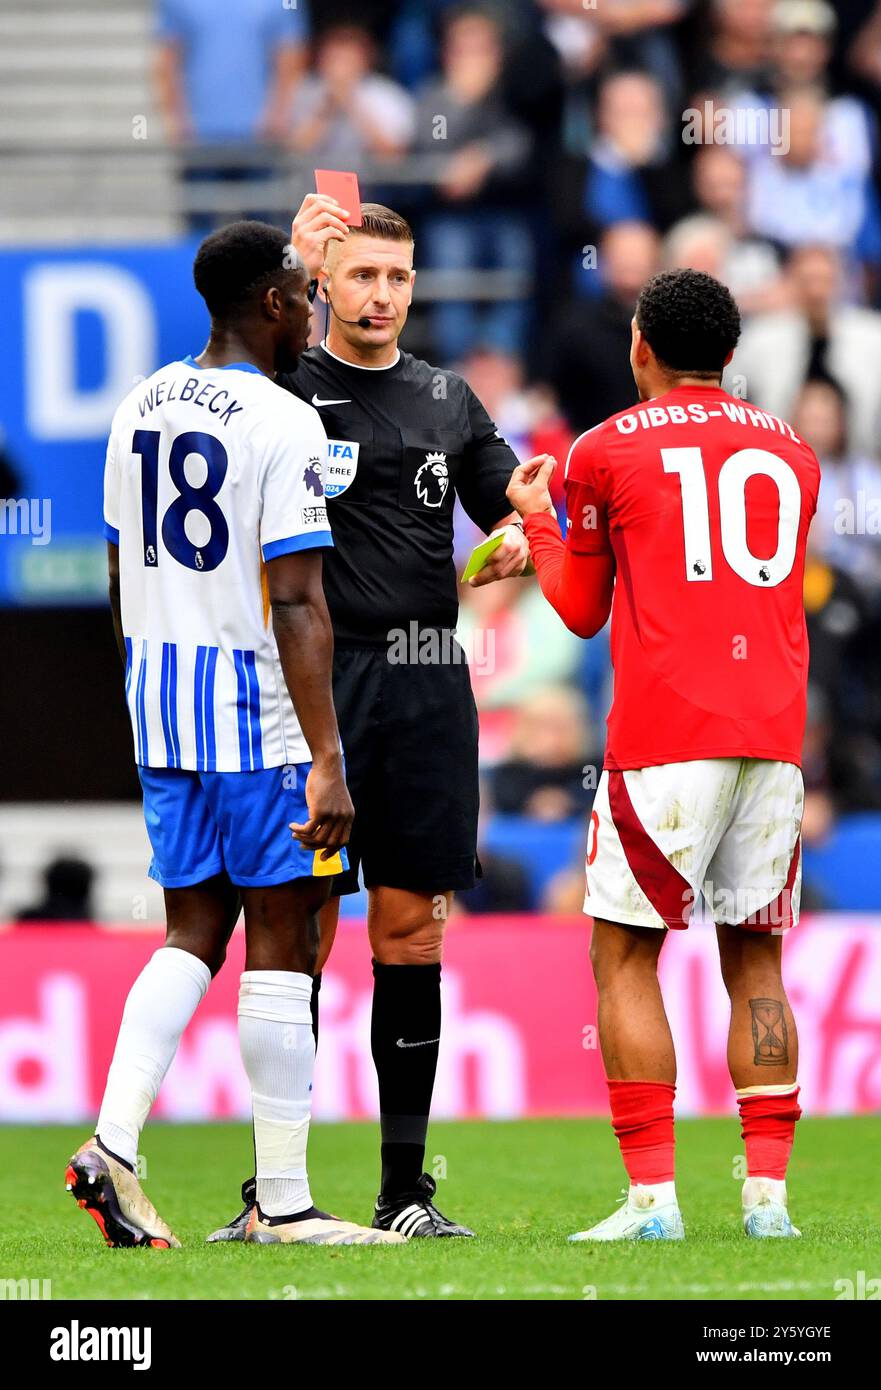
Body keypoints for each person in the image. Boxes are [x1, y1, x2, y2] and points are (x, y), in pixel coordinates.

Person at [65, 220, 402, 1247]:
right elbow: (298, 602)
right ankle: (285, 1204)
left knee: (192, 929)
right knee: (283, 936)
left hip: (160, 702)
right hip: (255, 717)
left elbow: (120, 570)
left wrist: (148, 673)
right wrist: (328, 759)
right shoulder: (280, 419)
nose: (313, 309)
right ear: (269, 302)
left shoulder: (137, 407)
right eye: (303, 293)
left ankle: (114, 1145)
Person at [209, 196, 534, 1242]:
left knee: (407, 930)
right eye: (360, 276)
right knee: (296, 931)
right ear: (319, 283)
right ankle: (276, 1194)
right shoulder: (277, 384)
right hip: (311, 681)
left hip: (428, 678)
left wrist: (526, 530)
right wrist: (288, 265)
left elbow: (508, 508)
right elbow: (201, 392)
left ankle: (403, 1192)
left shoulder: (448, 398)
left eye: (397, 278)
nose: (382, 296)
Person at [507, 268, 820, 1241]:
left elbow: (580, 608)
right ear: (728, 352)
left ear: (637, 343)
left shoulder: (600, 449)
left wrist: (536, 523)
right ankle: (765, 1200)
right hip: (770, 743)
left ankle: (651, 1203)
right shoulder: (795, 453)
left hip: (663, 741)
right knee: (756, 967)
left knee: (623, 956)